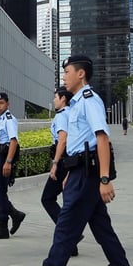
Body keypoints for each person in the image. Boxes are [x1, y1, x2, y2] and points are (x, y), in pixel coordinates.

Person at [9, 54, 133, 266]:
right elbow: (80, 144)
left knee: (65, 230)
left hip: (89, 176)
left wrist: (104, 178)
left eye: (67, 72)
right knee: (104, 232)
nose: (64, 77)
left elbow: (102, 139)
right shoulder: (77, 102)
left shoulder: (89, 100)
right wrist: (71, 171)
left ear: (81, 74)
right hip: (80, 172)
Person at [40, 86, 81, 257]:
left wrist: (55, 163)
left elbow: (62, 140)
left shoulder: (62, 115)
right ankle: (71, 243)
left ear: (63, 99)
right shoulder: (71, 113)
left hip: (63, 161)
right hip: (70, 160)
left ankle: (70, 235)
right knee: (67, 202)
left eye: (56, 97)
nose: (54, 100)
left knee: (47, 198)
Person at [0, 91, 26, 238]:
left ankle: (2, 227)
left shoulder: (9, 119)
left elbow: (13, 141)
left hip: (3, 158)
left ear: (7, 104)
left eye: (1, 103)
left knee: (0, 192)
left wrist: (8, 162)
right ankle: (15, 214)